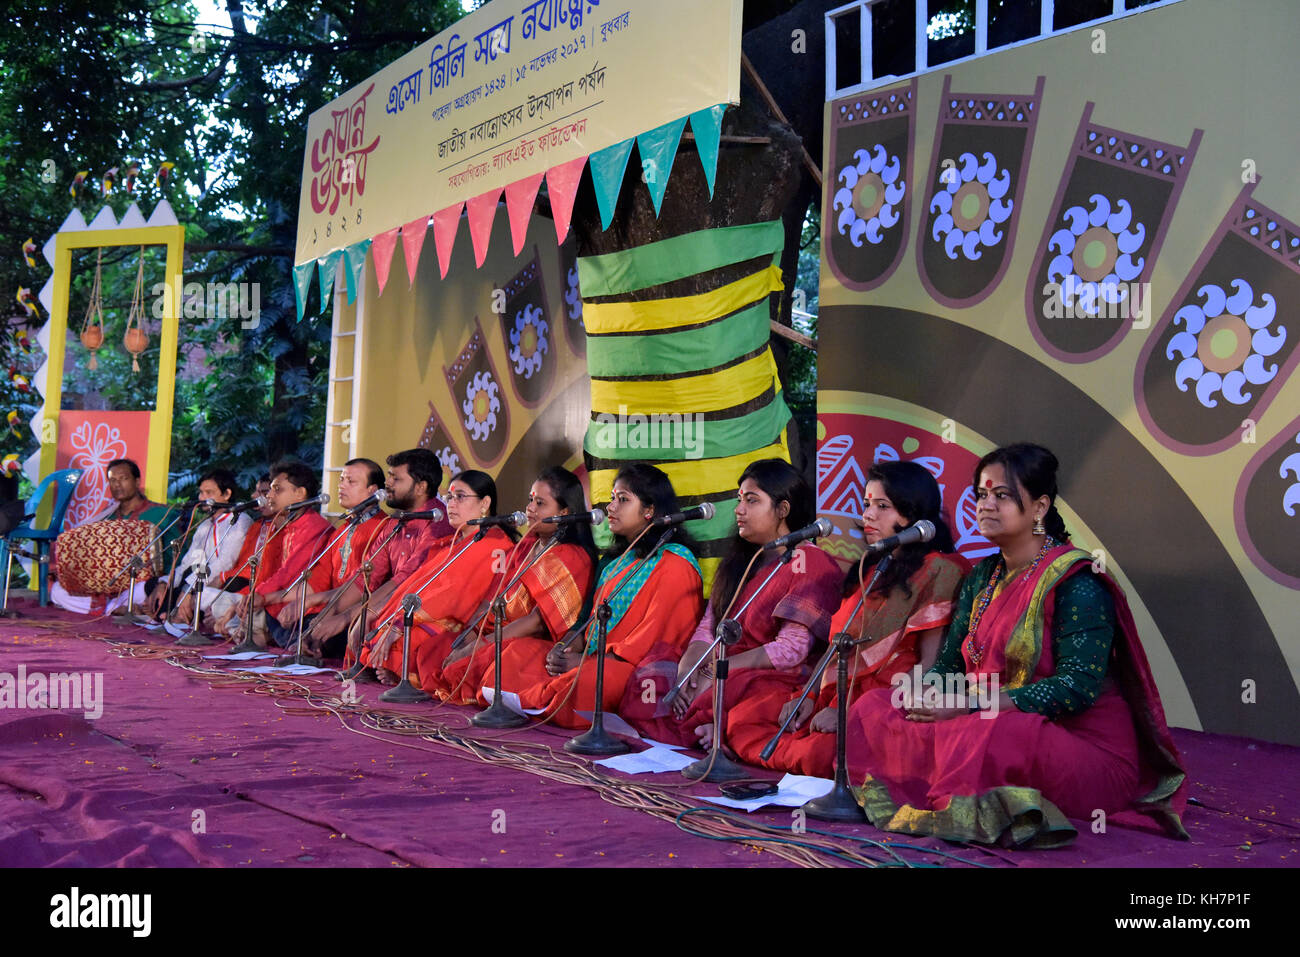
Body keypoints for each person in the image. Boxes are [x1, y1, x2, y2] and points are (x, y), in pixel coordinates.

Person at [846, 443, 1188, 847]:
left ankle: (955, 794)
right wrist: (926, 693)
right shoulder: (982, 577)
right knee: (877, 706)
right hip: (985, 718)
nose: (986, 505)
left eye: (1002, 495)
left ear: (1040, 506)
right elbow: (950, 665)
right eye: (981, 495)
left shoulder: (1077, 581)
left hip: (1080, 748)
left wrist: (970, 705)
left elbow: (1075, 688)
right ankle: (945, 788)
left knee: (992, 731)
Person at [745, 461, 969, 777]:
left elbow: (930, 666)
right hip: (839, 695)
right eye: (866, 504)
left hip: (891, 701)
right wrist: (809, 697)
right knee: (750, 716)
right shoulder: (873, 571)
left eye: (882, 506)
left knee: (821, 755)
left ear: (909, 513)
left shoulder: (941, 570)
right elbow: (836, 650)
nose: (868, 515)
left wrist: (850, 715)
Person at [624, 459, 841, 752]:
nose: (739, 510)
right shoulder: (741, 560)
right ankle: (706, 726)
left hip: (768, 673)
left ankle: (717, 729)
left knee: (746, 695)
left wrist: (721, 668)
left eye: (751, 501)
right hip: (720, 663)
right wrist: (688, 670)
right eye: (740, 500)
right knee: (659, 670)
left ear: (783, 509)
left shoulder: (811, 563)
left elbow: (792, 650)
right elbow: (708, 628)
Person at [501, 463, 705, 728]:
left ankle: (539, 703)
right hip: (590, 657)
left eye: (623, 500)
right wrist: (566, 648)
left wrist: (584, 661)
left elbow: (652, 643)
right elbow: (586, 619)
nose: (611, 507)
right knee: (517, 655)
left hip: (633, 669)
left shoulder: (675, 564)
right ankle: (536, 701)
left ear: (649, 510)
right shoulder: (613, 560)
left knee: (589, 680)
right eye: (611, 498)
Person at [433, 466, 596, 705]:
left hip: (531, 641)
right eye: (530, 500)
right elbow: (495, 594)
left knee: (489, 660)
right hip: (499, 631)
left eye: (540, 503)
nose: (529, 508)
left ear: (564, 512)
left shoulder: (570, 556)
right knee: (442, 644)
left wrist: (479, 647)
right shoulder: (529, 543)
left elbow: (536, 622)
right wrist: (472, 633)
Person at [356, 470, 515, 686]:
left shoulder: (496, 543)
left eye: (460, 496)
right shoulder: (451, 543)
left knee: (407, 641)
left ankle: (404, 672)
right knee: (378, 631)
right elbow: (419, 586)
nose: (451, 504)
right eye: (449, 497)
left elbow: (456, 595)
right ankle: (388, 661)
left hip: (463, 623)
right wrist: (390, 618)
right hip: (433, 614)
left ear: (485, 502)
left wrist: (400, 625)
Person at [312, 449, 452, 655]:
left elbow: (409, 581)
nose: (387, 484)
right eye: (389, 476)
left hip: (422, 612)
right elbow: (366, 577)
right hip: (388, 607)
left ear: (421, 486)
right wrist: (329, 613)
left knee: (356, 628)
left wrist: (352, 616)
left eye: (396, 478)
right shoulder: (395, 521)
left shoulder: (437, 522)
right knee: (322, 629)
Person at [264, 458, 387, 655]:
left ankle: (306, 642)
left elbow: (363, 589)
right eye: (341, 480)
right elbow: (318, 579)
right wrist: (296, 600)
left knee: (330, 629)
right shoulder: (341, 530)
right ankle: (304, 641)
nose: (342, 486)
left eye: (351, 482)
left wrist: (311, 603)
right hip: (330, 607)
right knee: (280, 612)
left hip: (357, 612)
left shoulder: (383, 527)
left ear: (373, 490)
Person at [49, 458, 180, 614]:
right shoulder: (107, 518)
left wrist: (163, 581)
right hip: (107, 589)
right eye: (113, 480)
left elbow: (178, 554)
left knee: (148, 589)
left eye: (124, 479)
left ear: (137, 482)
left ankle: (116, 608)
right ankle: (114, 609)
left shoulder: (162, 514)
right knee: (57, 591)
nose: (117, 484)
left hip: (140, 585)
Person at [148, 468, 252, 626]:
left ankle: (173, 614)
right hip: (199, 578)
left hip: (225, 581)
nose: (202, 498)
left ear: (226, 494)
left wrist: (188, 587)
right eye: (201, 492)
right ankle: (172, 612)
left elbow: (225, 563)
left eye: (208, 492)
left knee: (192, 579)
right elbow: (189, 561)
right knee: (154, 584)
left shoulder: (240, 520)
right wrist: (164, 583)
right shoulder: (205, 525)